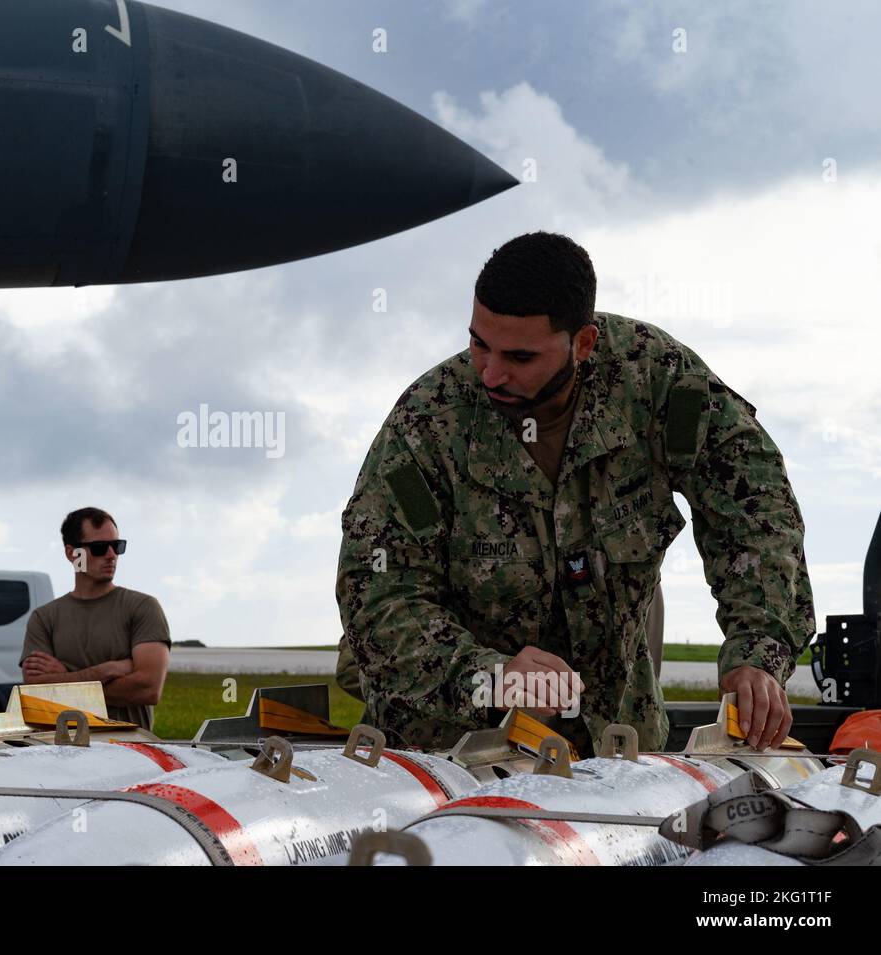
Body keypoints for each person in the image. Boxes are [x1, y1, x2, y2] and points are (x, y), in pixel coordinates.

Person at [336, 232, 814, 756]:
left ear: (582, 344)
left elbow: (756, 507)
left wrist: (756, 652)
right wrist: (490, 677)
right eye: (479, 343)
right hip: (457, 759)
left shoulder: (653, 381)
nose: (491, 373)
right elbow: (378, 591)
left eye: (519, 356)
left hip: (618, 751)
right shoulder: (429, 424)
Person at [20, 508, 171, 730]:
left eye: (117, 546)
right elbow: (36, 691)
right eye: (99, 548)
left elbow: (147, 688)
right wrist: (105, 671)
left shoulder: (143, 607)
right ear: (72, 553)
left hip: (130, 750)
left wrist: (64, 679)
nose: (111, 555)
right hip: (63, 751)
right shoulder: (44, 618)